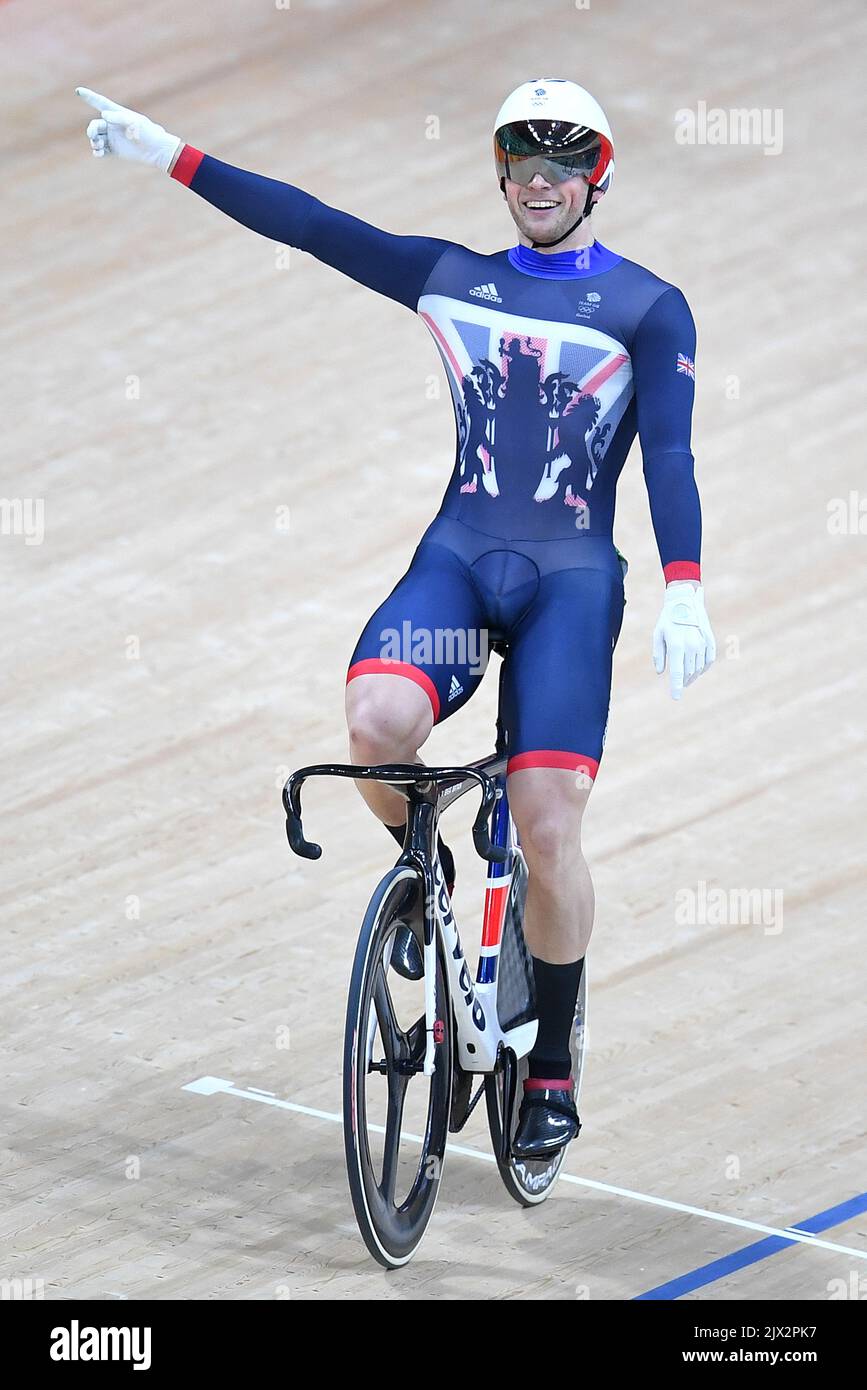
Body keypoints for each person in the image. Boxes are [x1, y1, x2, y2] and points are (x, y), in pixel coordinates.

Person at [76, 78, 715, 1160]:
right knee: (374, 722)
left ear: (598, 175)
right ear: (501, 171)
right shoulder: (449, 278)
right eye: (524, 157)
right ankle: (427, 880)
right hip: (461, 565)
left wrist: (687, 583)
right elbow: (316, 227)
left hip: (568, 583)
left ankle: (550, 1061)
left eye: (565, 160)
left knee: (550, 820)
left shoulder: (651, 308)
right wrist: (171, 155)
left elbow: (670, 455)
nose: (542, 179)